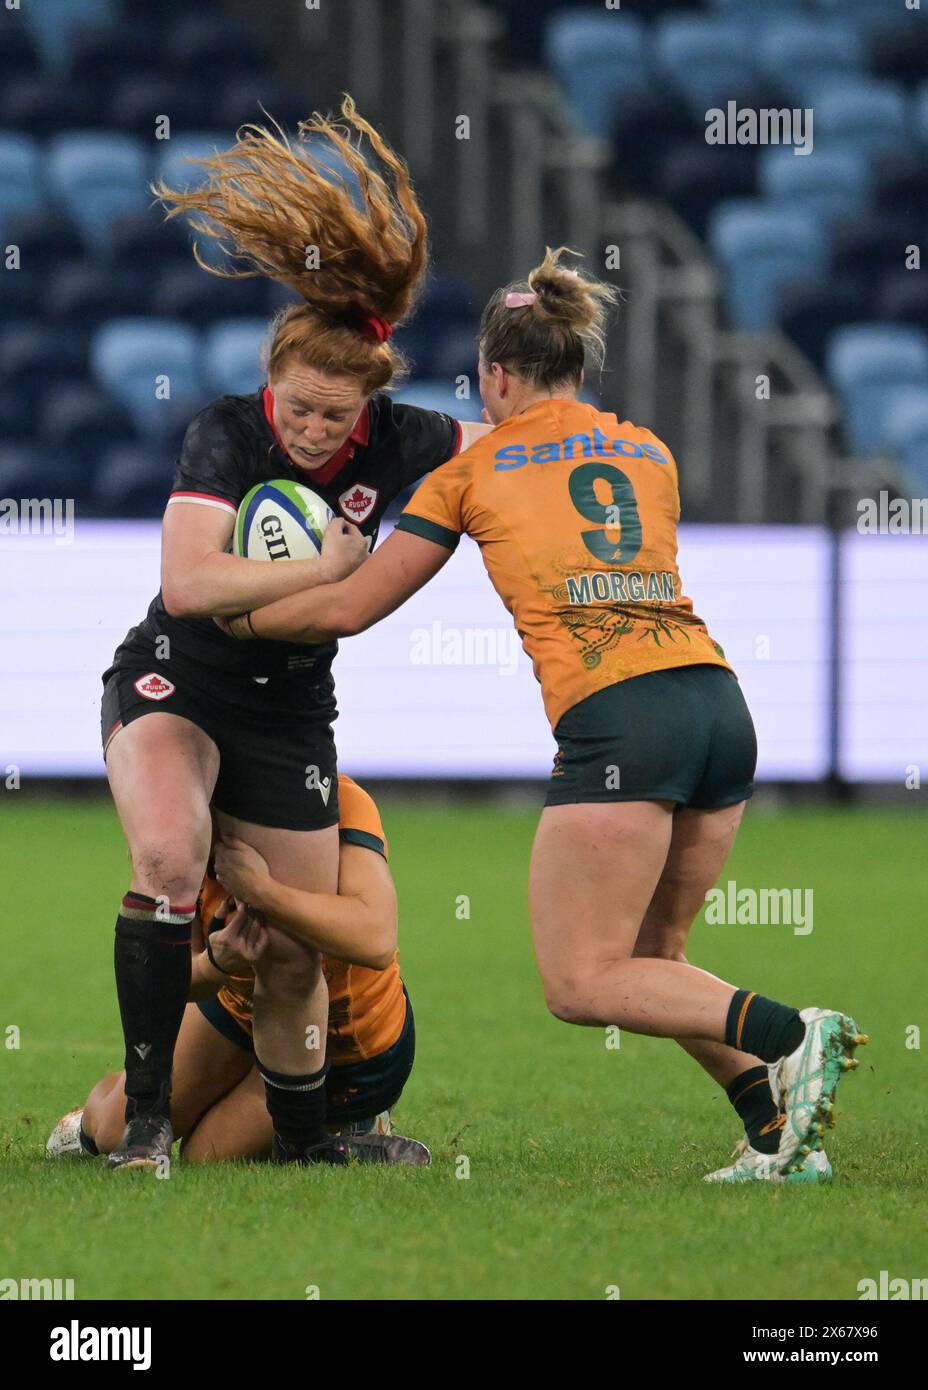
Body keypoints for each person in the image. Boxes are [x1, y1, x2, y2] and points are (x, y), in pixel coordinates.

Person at [215, 248, 868, 1184]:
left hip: (620, 724)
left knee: (579, 983)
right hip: (717, 707)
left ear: (493, 376)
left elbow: (350, 609)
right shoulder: (647, 449)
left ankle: (789, 1033)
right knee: (655, 959)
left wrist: (236, 607)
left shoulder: (474, 471)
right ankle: (776, 1135)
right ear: (577, 365)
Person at [99, 95, 489, 1171]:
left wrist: (595, 442)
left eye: (334, 418)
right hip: (177, 678)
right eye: (297, 409)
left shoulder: (404, 436)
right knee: (171, 856)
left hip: (287, 707)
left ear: (369, 407)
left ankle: (314, 1144)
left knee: (289, 942)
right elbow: (185, 585)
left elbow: (506, 446)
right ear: (269, 380)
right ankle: (140, 1130)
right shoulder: (224, 432)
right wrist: (320, 573)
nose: (313, 434)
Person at [48, 777, 429, 1167]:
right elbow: (179, 977)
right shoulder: (184, 823)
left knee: (206, 1155)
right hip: (238, 1011)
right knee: (115, 1130)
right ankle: (84, 1122)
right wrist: (215, 964)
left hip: (346, 1039)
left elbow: (376, 940)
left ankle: (352, 1122)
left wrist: (261, 890)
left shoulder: (335, 799)